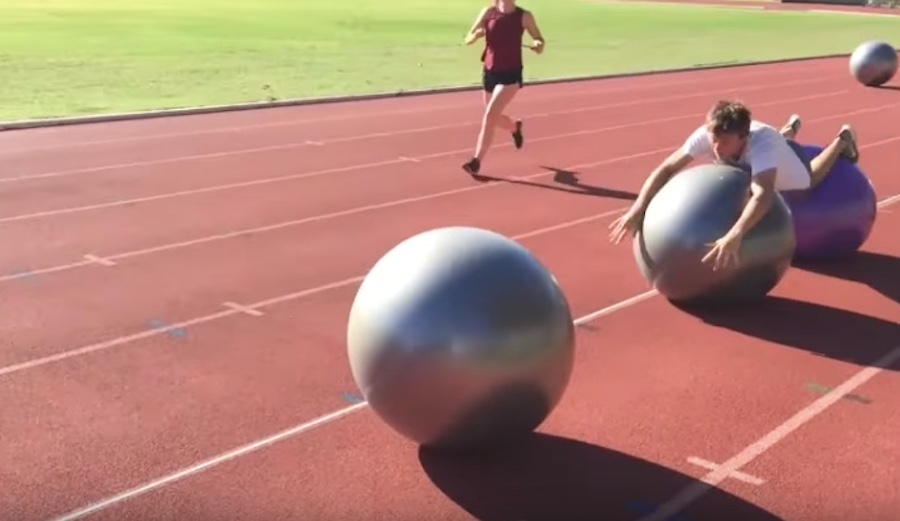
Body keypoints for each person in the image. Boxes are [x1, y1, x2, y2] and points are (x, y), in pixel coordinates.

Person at [607, 99, 860, 270]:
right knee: (750, 159)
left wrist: (735, 233)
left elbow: (763, 193)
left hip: (785, 158)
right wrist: (638, 208)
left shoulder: (763, 146)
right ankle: (789, 131)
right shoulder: (708, 135)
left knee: (809, 180)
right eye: (713, 139)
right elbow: (666, 168)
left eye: (725, 143)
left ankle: (842, 140)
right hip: (769, 148)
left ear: (743, 137)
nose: (716, 148)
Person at [461, 0, 545, 176]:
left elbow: (539, 39)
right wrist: (475, 35)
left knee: (490, 115)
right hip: (490, 71)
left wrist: (538, 45)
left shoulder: (524, 16)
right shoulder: (488, 12)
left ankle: (476, 161)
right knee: (493, 117)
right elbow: (467, 39)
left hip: (510, 74)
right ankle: (515, 127)